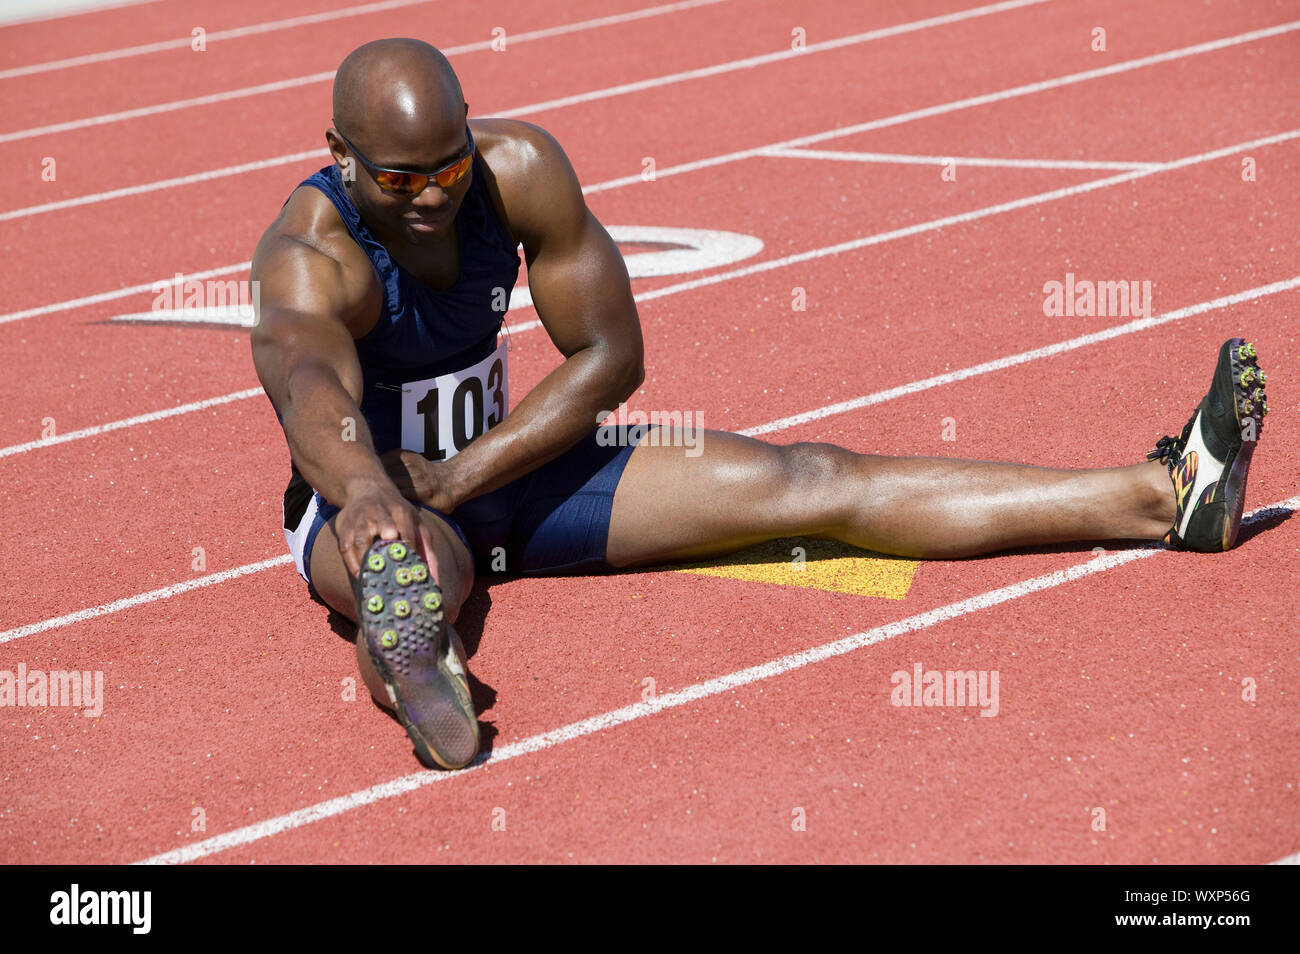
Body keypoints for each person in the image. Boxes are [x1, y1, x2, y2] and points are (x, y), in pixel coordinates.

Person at [249, 38, 1268, 770]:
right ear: (338, 153)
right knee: (421, 570)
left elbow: (610, 357)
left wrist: (467, 471)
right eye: (398, 178)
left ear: (474, 134)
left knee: (807, 477)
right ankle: (422, 664)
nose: (431, 196)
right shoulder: (310, 252)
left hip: (514, 465)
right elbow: (311, 387)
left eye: (447, 167)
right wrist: (376, 495)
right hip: (369, 495)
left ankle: (1158, 498)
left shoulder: (519, 173)